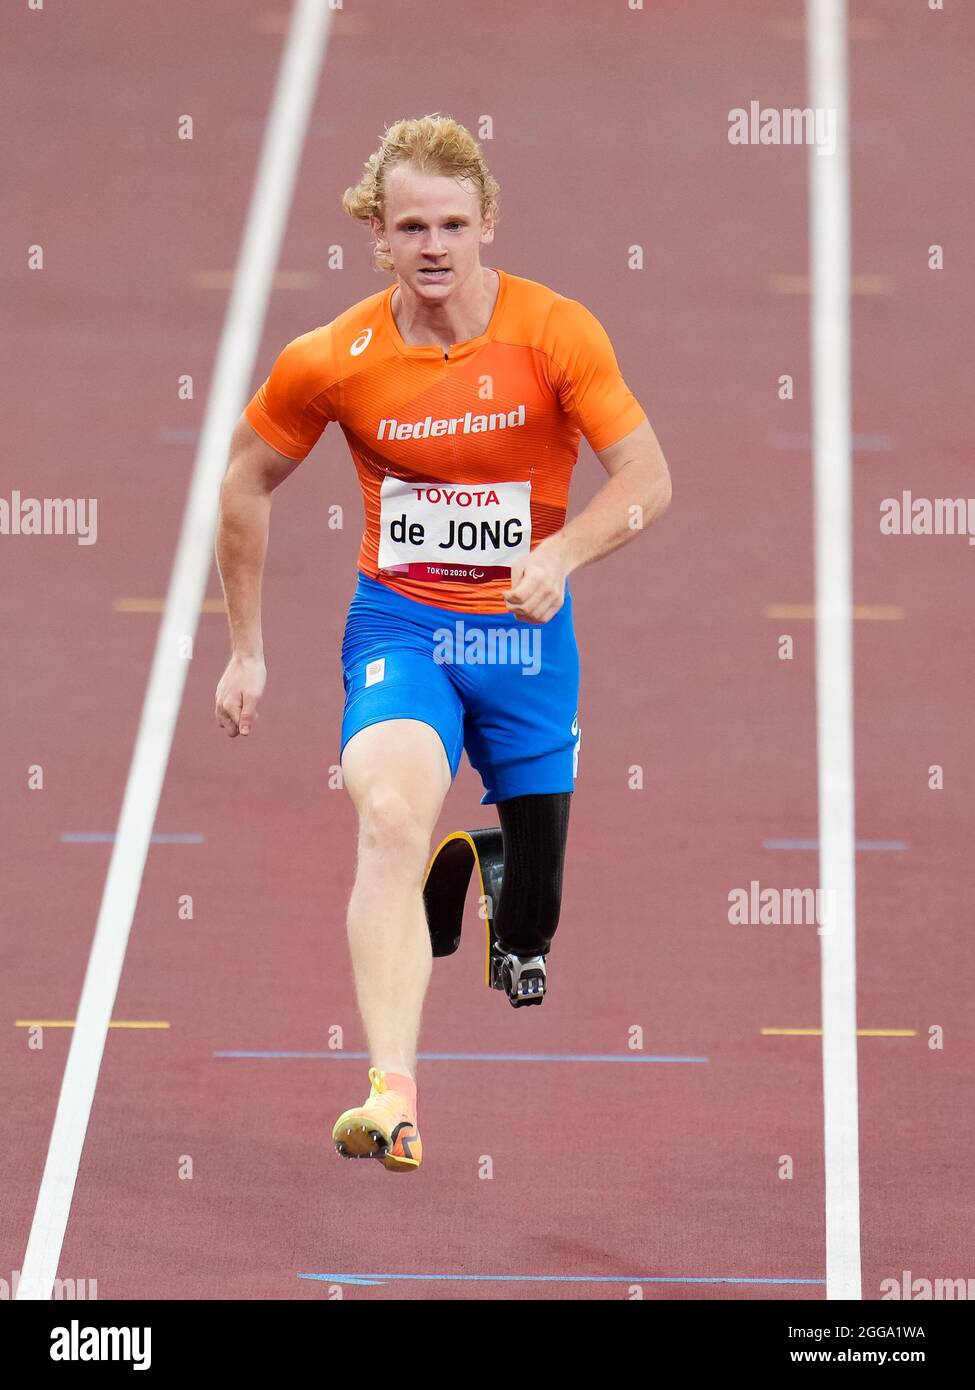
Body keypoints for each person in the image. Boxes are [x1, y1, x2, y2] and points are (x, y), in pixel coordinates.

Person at [214, 114, 672, 1173]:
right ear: (377, 233)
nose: (433, 246)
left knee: (532, 936)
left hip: (523, 637)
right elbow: (243, 480)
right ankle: (393, 1093)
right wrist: (247, 649)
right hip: (403, 626)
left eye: (453, 224)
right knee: (384, 810)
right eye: (410, 224)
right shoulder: (333, 358)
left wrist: (564, 551)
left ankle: (498, 865)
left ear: (487, 225)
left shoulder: (556, 333)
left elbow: (649, 479)